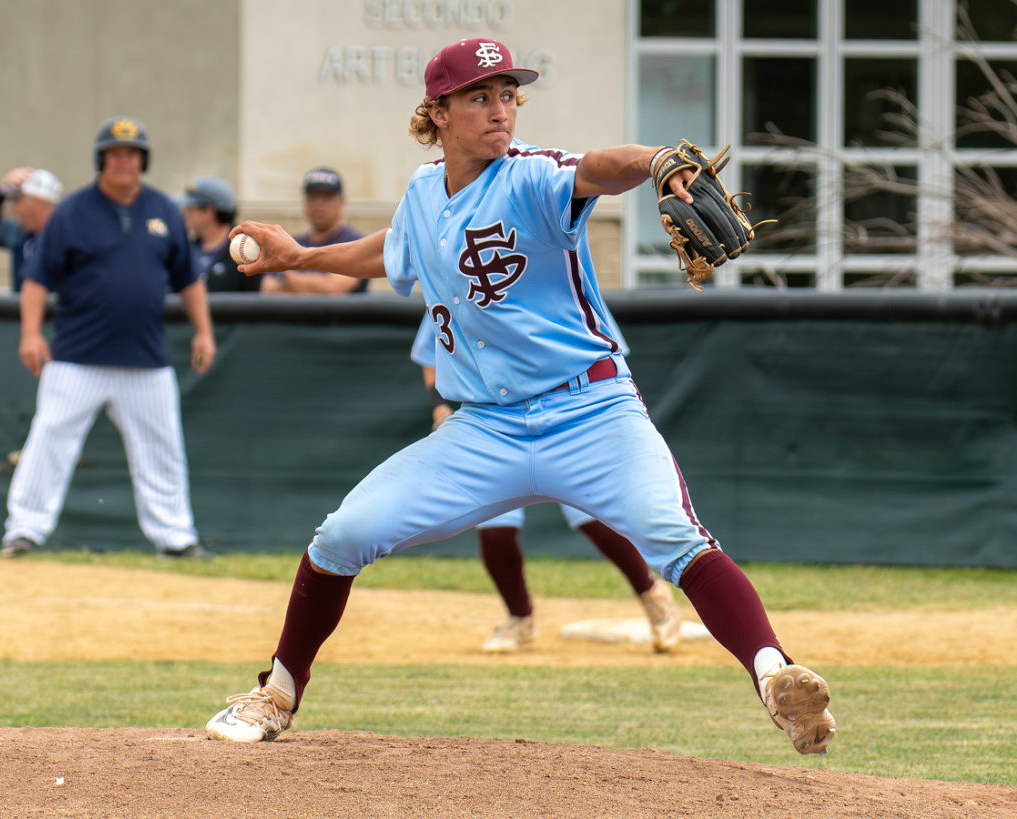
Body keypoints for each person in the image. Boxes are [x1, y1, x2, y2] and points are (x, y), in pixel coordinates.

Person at [206, 38, 835, 755]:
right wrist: (302, 257)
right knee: (341, 535)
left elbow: (600, 167)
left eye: (507, 94)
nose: (499, 109)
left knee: (677, 537)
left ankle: (775, 676)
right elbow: (392, 249)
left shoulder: (531, 176)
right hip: (488, 429)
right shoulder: (422, 192)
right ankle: (277, 692)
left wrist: (658, 159)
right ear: (437, 112)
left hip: (592, 412)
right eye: (480, 96)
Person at [0, 116, 217, 560]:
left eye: (132, 154)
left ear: (143, 161)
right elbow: (38, 279)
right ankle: (24, 531)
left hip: (145, 358)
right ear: (101, 160)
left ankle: (175, 537)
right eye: (115, 154)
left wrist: (205, 332)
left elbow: (189, 280)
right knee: (49, 441)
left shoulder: (162, 211)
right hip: (77, 355)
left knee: (163, 446)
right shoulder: (72, 211)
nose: (124, 162)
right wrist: (29, 333)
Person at [412, 315, 681, 654]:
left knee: (593, 518)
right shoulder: (453, 283)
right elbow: (431, 360)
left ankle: (653, 596)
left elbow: (608, 353)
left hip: (567, 416)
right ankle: (519, 618)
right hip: (496, 421)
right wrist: (440, 409)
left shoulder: (554, 278)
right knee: (495, 527)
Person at [259, 167, 368, 295]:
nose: (318, 205)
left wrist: (285, 277)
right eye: (312, 197)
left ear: (342, 201)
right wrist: (311, 286)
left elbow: (331, 289)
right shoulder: (294, 241)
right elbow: (268, 288)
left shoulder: (357, 242)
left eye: (326, 198)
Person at [178, 175, 260, 292]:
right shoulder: (186, 248)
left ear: (208, 211)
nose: (184, 212)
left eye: (190, 208)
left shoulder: (246, 250)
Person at [0, 167, 64, 292]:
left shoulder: (69, 236)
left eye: (17, 200)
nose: (12, 208)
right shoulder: (18, 232)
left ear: (39, 202)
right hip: (21, 310)